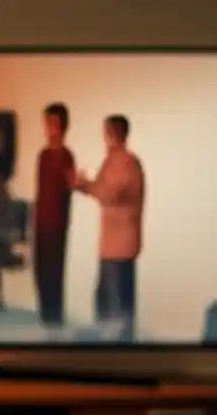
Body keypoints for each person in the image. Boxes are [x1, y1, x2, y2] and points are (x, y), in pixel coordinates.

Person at [74, 114, 144, 341]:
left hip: (120, 249)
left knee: (118, 316)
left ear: (112, 134)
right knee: (104, 308)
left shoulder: (127, 163)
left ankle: (124, 362)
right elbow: (101, 189)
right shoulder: (111, 161)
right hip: (109, 248)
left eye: (105, 133)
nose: (104, 138)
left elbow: (110, 194)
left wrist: (87, 186)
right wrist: (83, 186)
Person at [33, 102, 76, 332]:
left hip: (57, 224)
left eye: (53, 124)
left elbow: (68, 188)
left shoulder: (66, 156)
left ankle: (55, 319)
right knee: (40, 272)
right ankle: (45, 316)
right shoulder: (43, 155)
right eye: (46, 124)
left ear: (62, 127)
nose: (48, 129)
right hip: (41, 222)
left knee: (54, 272)